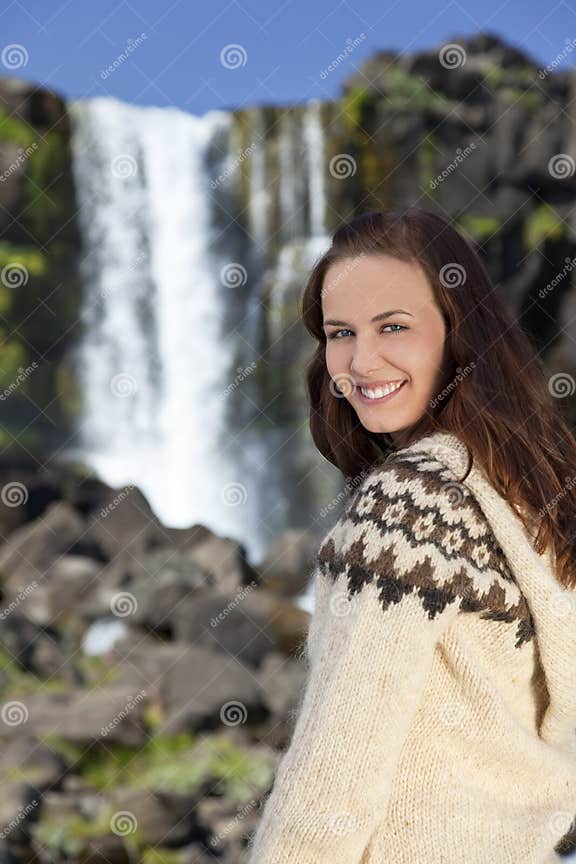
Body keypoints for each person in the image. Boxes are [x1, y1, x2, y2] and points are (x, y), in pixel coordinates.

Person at [245, 208, 576, 863]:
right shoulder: (522, 489)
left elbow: (335, 774)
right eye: (340, 332)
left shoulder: (410, 503)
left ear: (458, 331)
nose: (362, 361)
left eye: (393, 326)